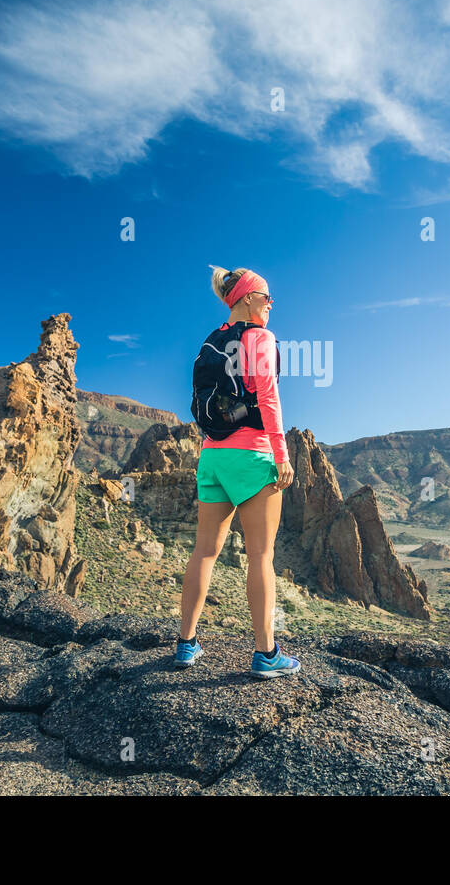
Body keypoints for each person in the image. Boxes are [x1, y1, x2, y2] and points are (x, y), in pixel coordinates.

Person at [175, 265, 300, 678]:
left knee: (205, 551)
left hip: (212, 457)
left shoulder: (212, 340)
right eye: (266, 297)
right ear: (247, 297)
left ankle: (186, 644)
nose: (270, 305)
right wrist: (281, 455)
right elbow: (268, 396)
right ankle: (267, 655)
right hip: (252, 455)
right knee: (260, 556)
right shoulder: (259, 338)